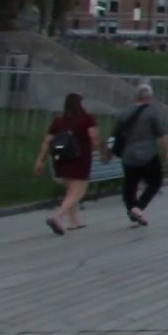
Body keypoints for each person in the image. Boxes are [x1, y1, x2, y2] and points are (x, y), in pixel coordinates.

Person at [34, 93, 100, 235]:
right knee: (78, 192)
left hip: (62, 159)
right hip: (80, 159)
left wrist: (40, 160)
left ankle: (74, 223)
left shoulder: (58, 121)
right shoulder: (87, 119)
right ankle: (56, 216)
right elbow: (94, 137)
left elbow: (47, 141)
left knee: (70, 192)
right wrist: (98, 148)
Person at [105, 84, 168, 226]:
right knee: (155, 182)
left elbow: (115, 134)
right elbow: (162, 136)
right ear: (149, 97)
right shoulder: (151, 113)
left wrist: (109, 152)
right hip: (148, 155)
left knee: (130, 183)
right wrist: (167, 152)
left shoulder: (123, 113)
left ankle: (131, 208)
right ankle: (138, 207)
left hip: (128, 155)